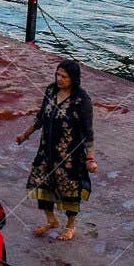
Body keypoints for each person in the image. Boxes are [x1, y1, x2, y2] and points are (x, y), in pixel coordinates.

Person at [16, 59, 96, 240]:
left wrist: (90, 158)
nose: (59, 79)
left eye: (64, 77)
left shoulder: (82, 100)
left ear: (73, 79)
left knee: (69, 191)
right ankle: (51, 220)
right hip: (47, 151)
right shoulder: (51, 91)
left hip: (69, 156)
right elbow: (40, 117)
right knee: (41, 184)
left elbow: (88, 132)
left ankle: (70, 225)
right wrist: (25, 135)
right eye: (57, 75)